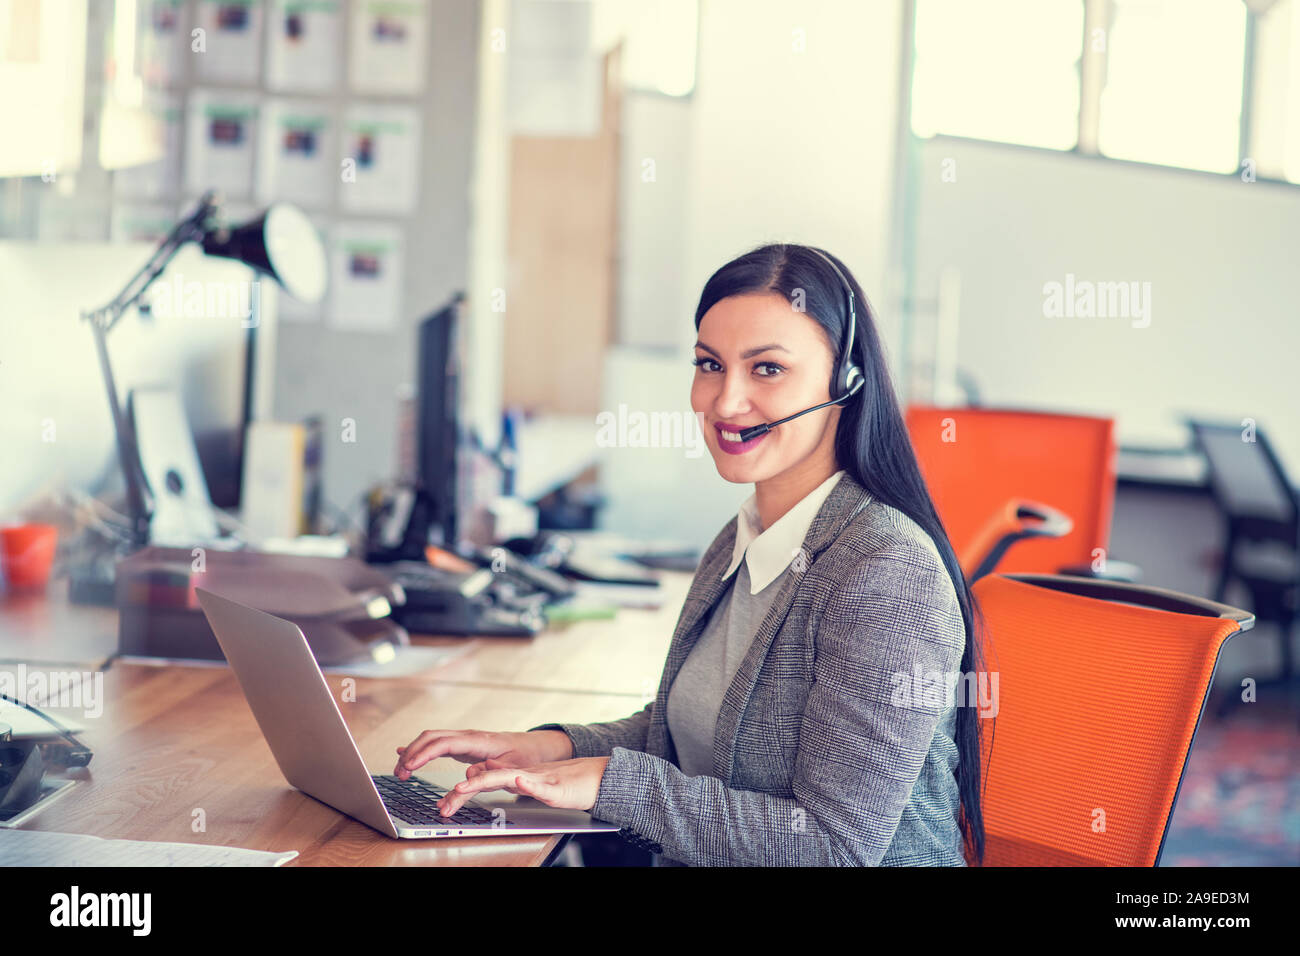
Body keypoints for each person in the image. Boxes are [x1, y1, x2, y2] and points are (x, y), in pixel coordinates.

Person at [394, 243, 988, 866]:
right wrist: (551, 750)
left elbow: (832, 848)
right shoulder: (745, 536)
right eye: (710, 365)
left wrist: (609, 784)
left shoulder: (886, 573)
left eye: (767, 369)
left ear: (846, 381)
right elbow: (689, 738)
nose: (725, 402)